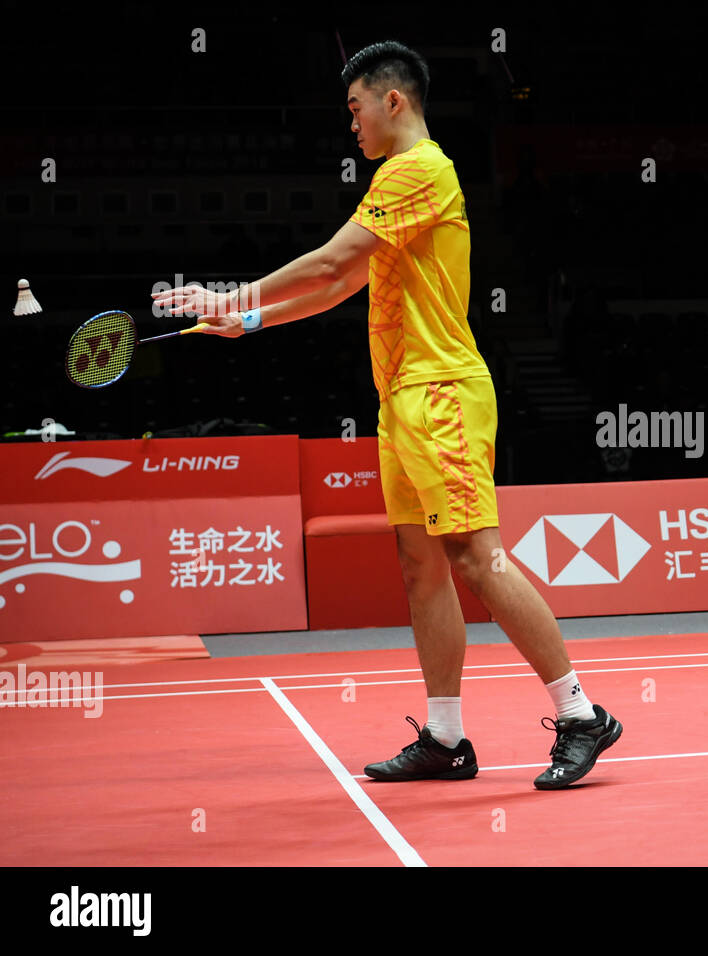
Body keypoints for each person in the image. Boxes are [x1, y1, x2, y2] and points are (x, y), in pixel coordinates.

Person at [152, 40, 622, 786]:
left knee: (478, 556)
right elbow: (341, 285)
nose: (352, 124)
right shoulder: (396, 189)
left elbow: (332, 260)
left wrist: (231, 296)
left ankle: (579, 714)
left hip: (442, 393)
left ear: (392, 101)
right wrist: (246, 324)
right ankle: (445, 737)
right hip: (401, 398)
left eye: (355, 107)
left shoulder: (418, 170)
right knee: (420, 567)